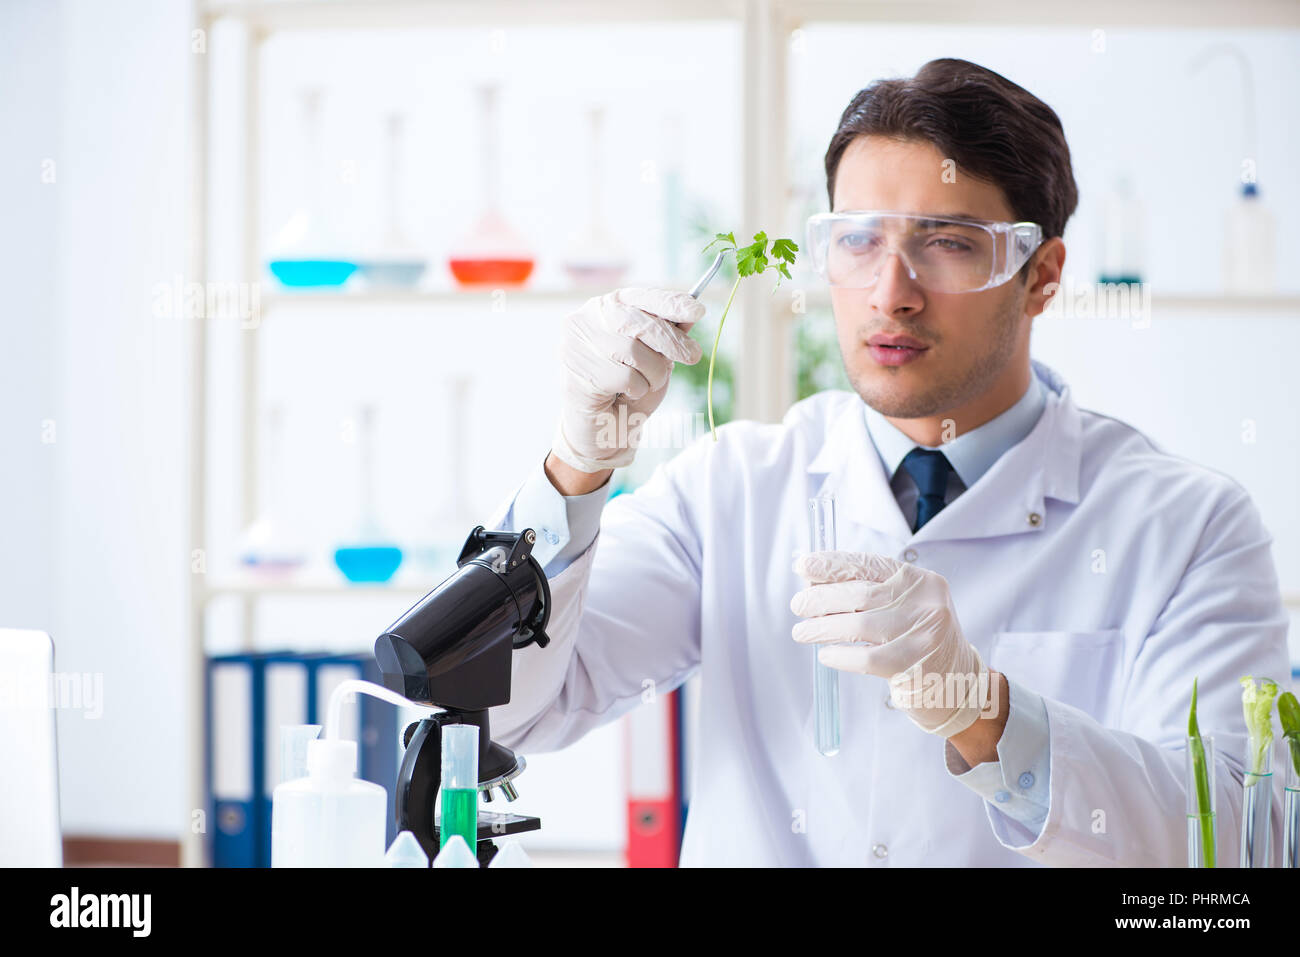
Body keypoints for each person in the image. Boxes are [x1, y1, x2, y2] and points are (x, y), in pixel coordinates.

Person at [485, 58, 1290, 866]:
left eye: (946, 242)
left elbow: (1231, 842)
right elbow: (511, 711)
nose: (889, 292)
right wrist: (572, 471)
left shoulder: (1188, 526)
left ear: (1041, 276)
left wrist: (988, 714)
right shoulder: (730, 488)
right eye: (858, 238)